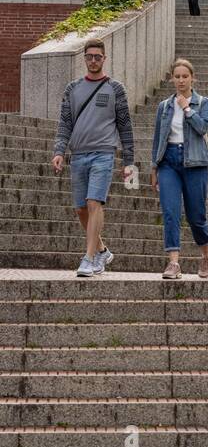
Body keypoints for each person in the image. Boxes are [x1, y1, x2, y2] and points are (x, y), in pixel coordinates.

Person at [51, 39, 135, 277]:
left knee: (93, 202)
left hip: (103, 154)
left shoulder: (115, 89)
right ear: (84, 58)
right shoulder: (72, 89)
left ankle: (88, 258)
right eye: (90, 56)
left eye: (98, 56)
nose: (94, 60)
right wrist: (59, 151)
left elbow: (125, 126)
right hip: (77, 155)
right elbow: (65, 123)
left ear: (104, 59)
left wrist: (128, 160)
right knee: (80, 210)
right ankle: (101, 250)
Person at [150, 57, 208, 280]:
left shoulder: (203, 102)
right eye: (177, 77)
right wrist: (154, 167)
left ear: (192, 78)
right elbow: (158, 137)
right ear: (172, 79)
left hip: (195, 163)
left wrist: (187, 109)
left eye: (185, 76)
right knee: (170, 212)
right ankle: (174, 263)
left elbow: (203, 127)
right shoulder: (164, 106)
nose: (180, 80)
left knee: (196, 216)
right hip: (169, 162)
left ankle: (206, 255)